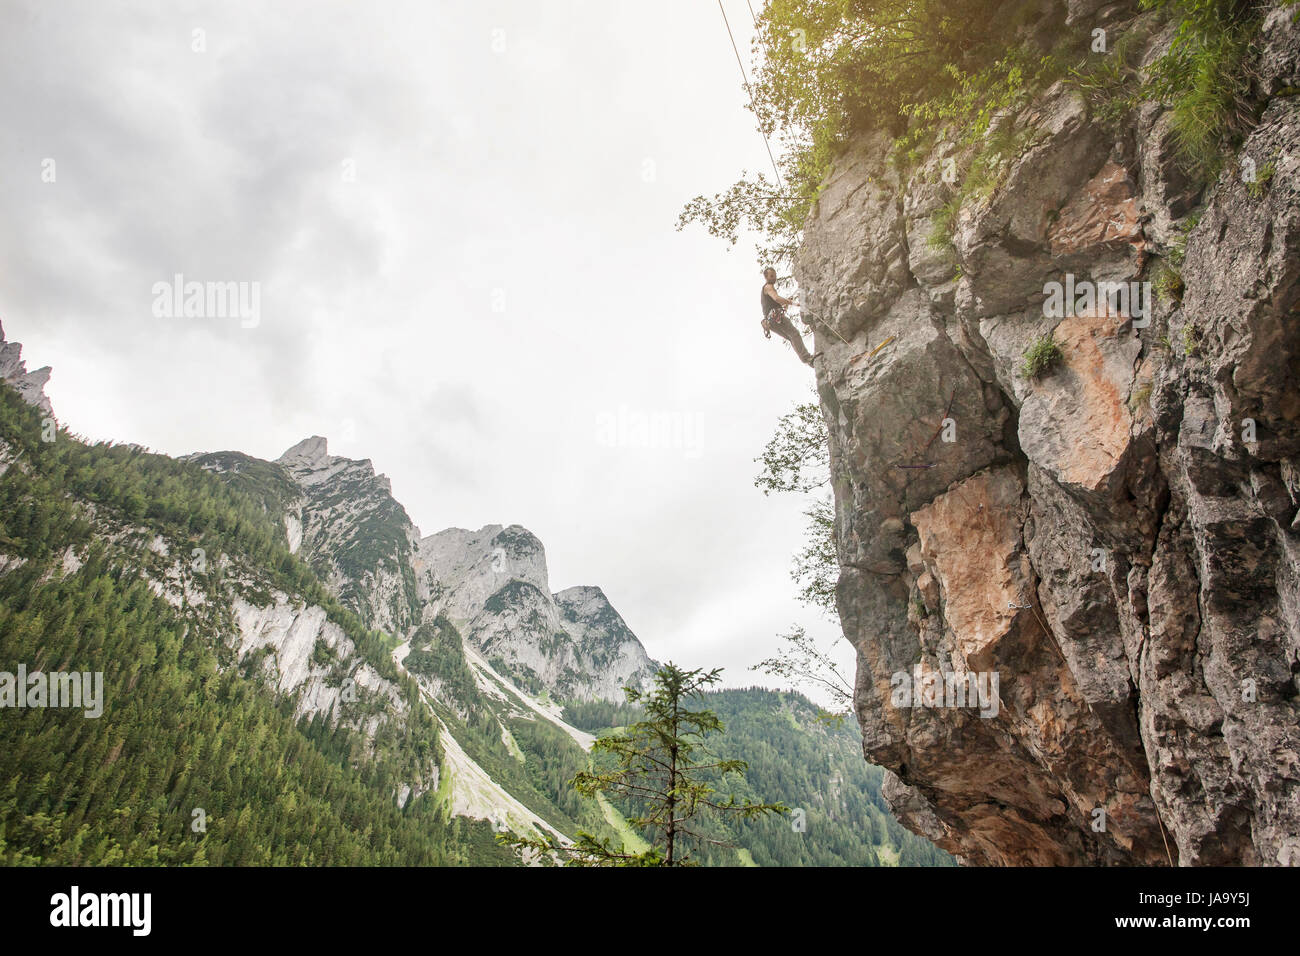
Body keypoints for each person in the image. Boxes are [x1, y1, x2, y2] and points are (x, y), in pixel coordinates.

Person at [760, 267, 813, 366]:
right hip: (775, 317)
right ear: (766, 277)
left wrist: (786, 303)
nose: (774, 278)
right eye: (771, 276)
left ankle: (807, 360)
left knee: (791, 337)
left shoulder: (766, 291)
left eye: (774, 276)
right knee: (794, 334)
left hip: (770, 322)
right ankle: (807, 358)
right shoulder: (768, 287)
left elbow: (776, 303)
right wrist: (792, 302)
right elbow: (776, 298)